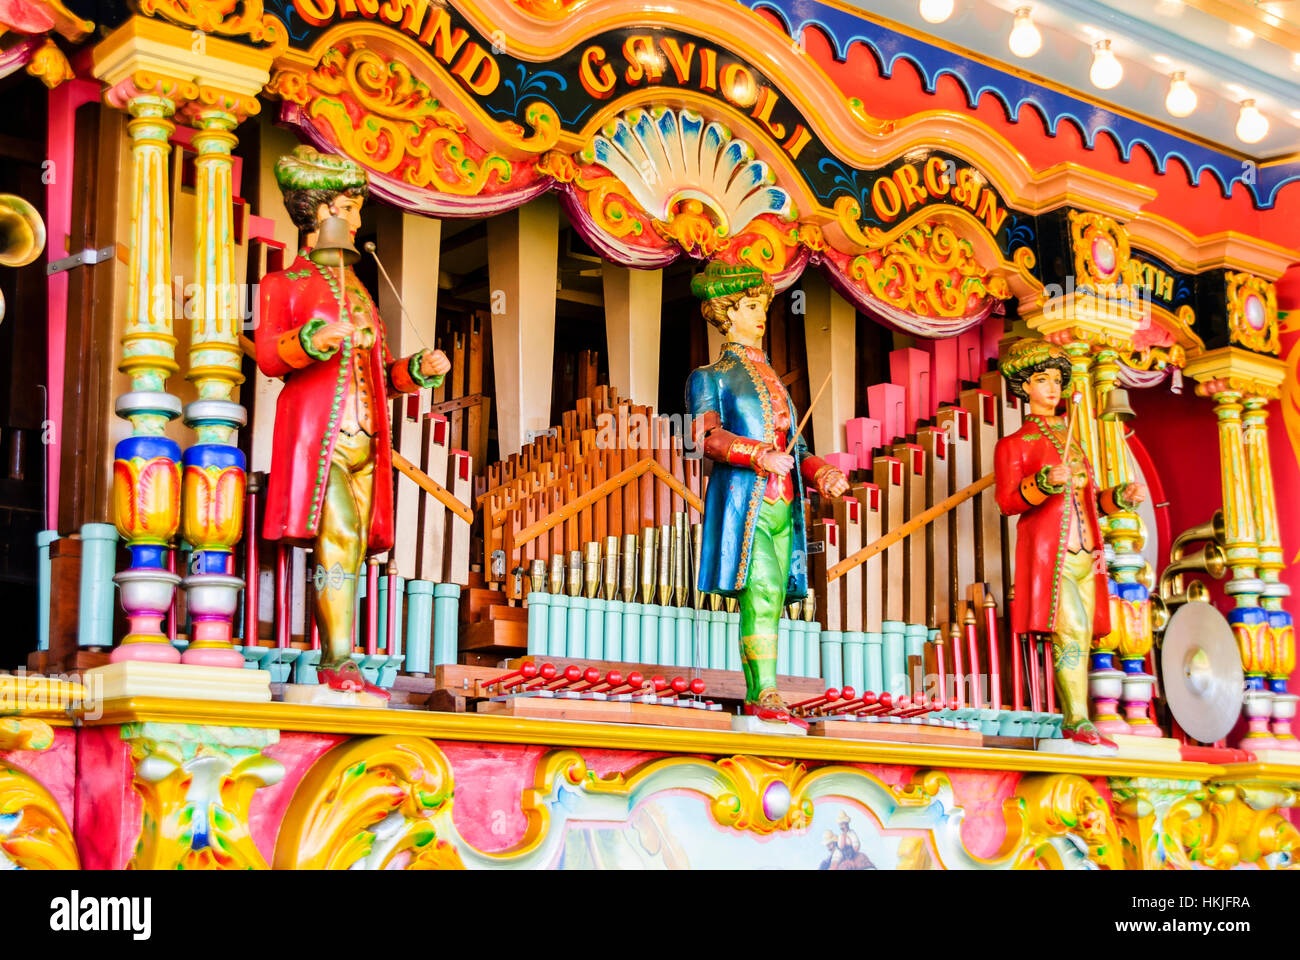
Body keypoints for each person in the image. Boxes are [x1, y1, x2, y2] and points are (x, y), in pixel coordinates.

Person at [257, 146, 450, 697]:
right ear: (321, 212)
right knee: (338, 538)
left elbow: (380, 376)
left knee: (354, 551)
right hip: (320, 442)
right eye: (350, 206)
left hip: (369, 442)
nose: (359, 218)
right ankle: (336, 662)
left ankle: (343, 658)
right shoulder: (285, 284)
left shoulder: (362, 290)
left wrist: (417, 370)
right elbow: (271, 356)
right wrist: (314, 340)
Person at [686, 261, 849, 726]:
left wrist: (821, 474)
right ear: (727, 312)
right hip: (746, 503)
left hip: (783, 504)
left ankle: (768, 690)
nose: (762, 315)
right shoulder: (710, 376)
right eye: (753, 306)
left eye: (762, 305)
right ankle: (764, 693)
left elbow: (795, 449)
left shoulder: (775, 380)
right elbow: (704, 438)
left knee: (775, 594)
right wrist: (757, 455)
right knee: (760, 590)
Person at [994, 339, 1145, 747]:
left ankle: (1082, 717)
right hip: (1051, 558)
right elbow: (1007, 502)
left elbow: (1091, 502)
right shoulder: (1014, 444)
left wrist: (1119, 497)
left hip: (1087, 556)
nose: (1052, 388)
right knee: (1072, 631)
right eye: (1043, 380)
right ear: (1024, 388)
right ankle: (1076, 718)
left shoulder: (1074, 440)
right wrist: (1043, 482)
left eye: (1058, 380)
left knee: (1085, 634)